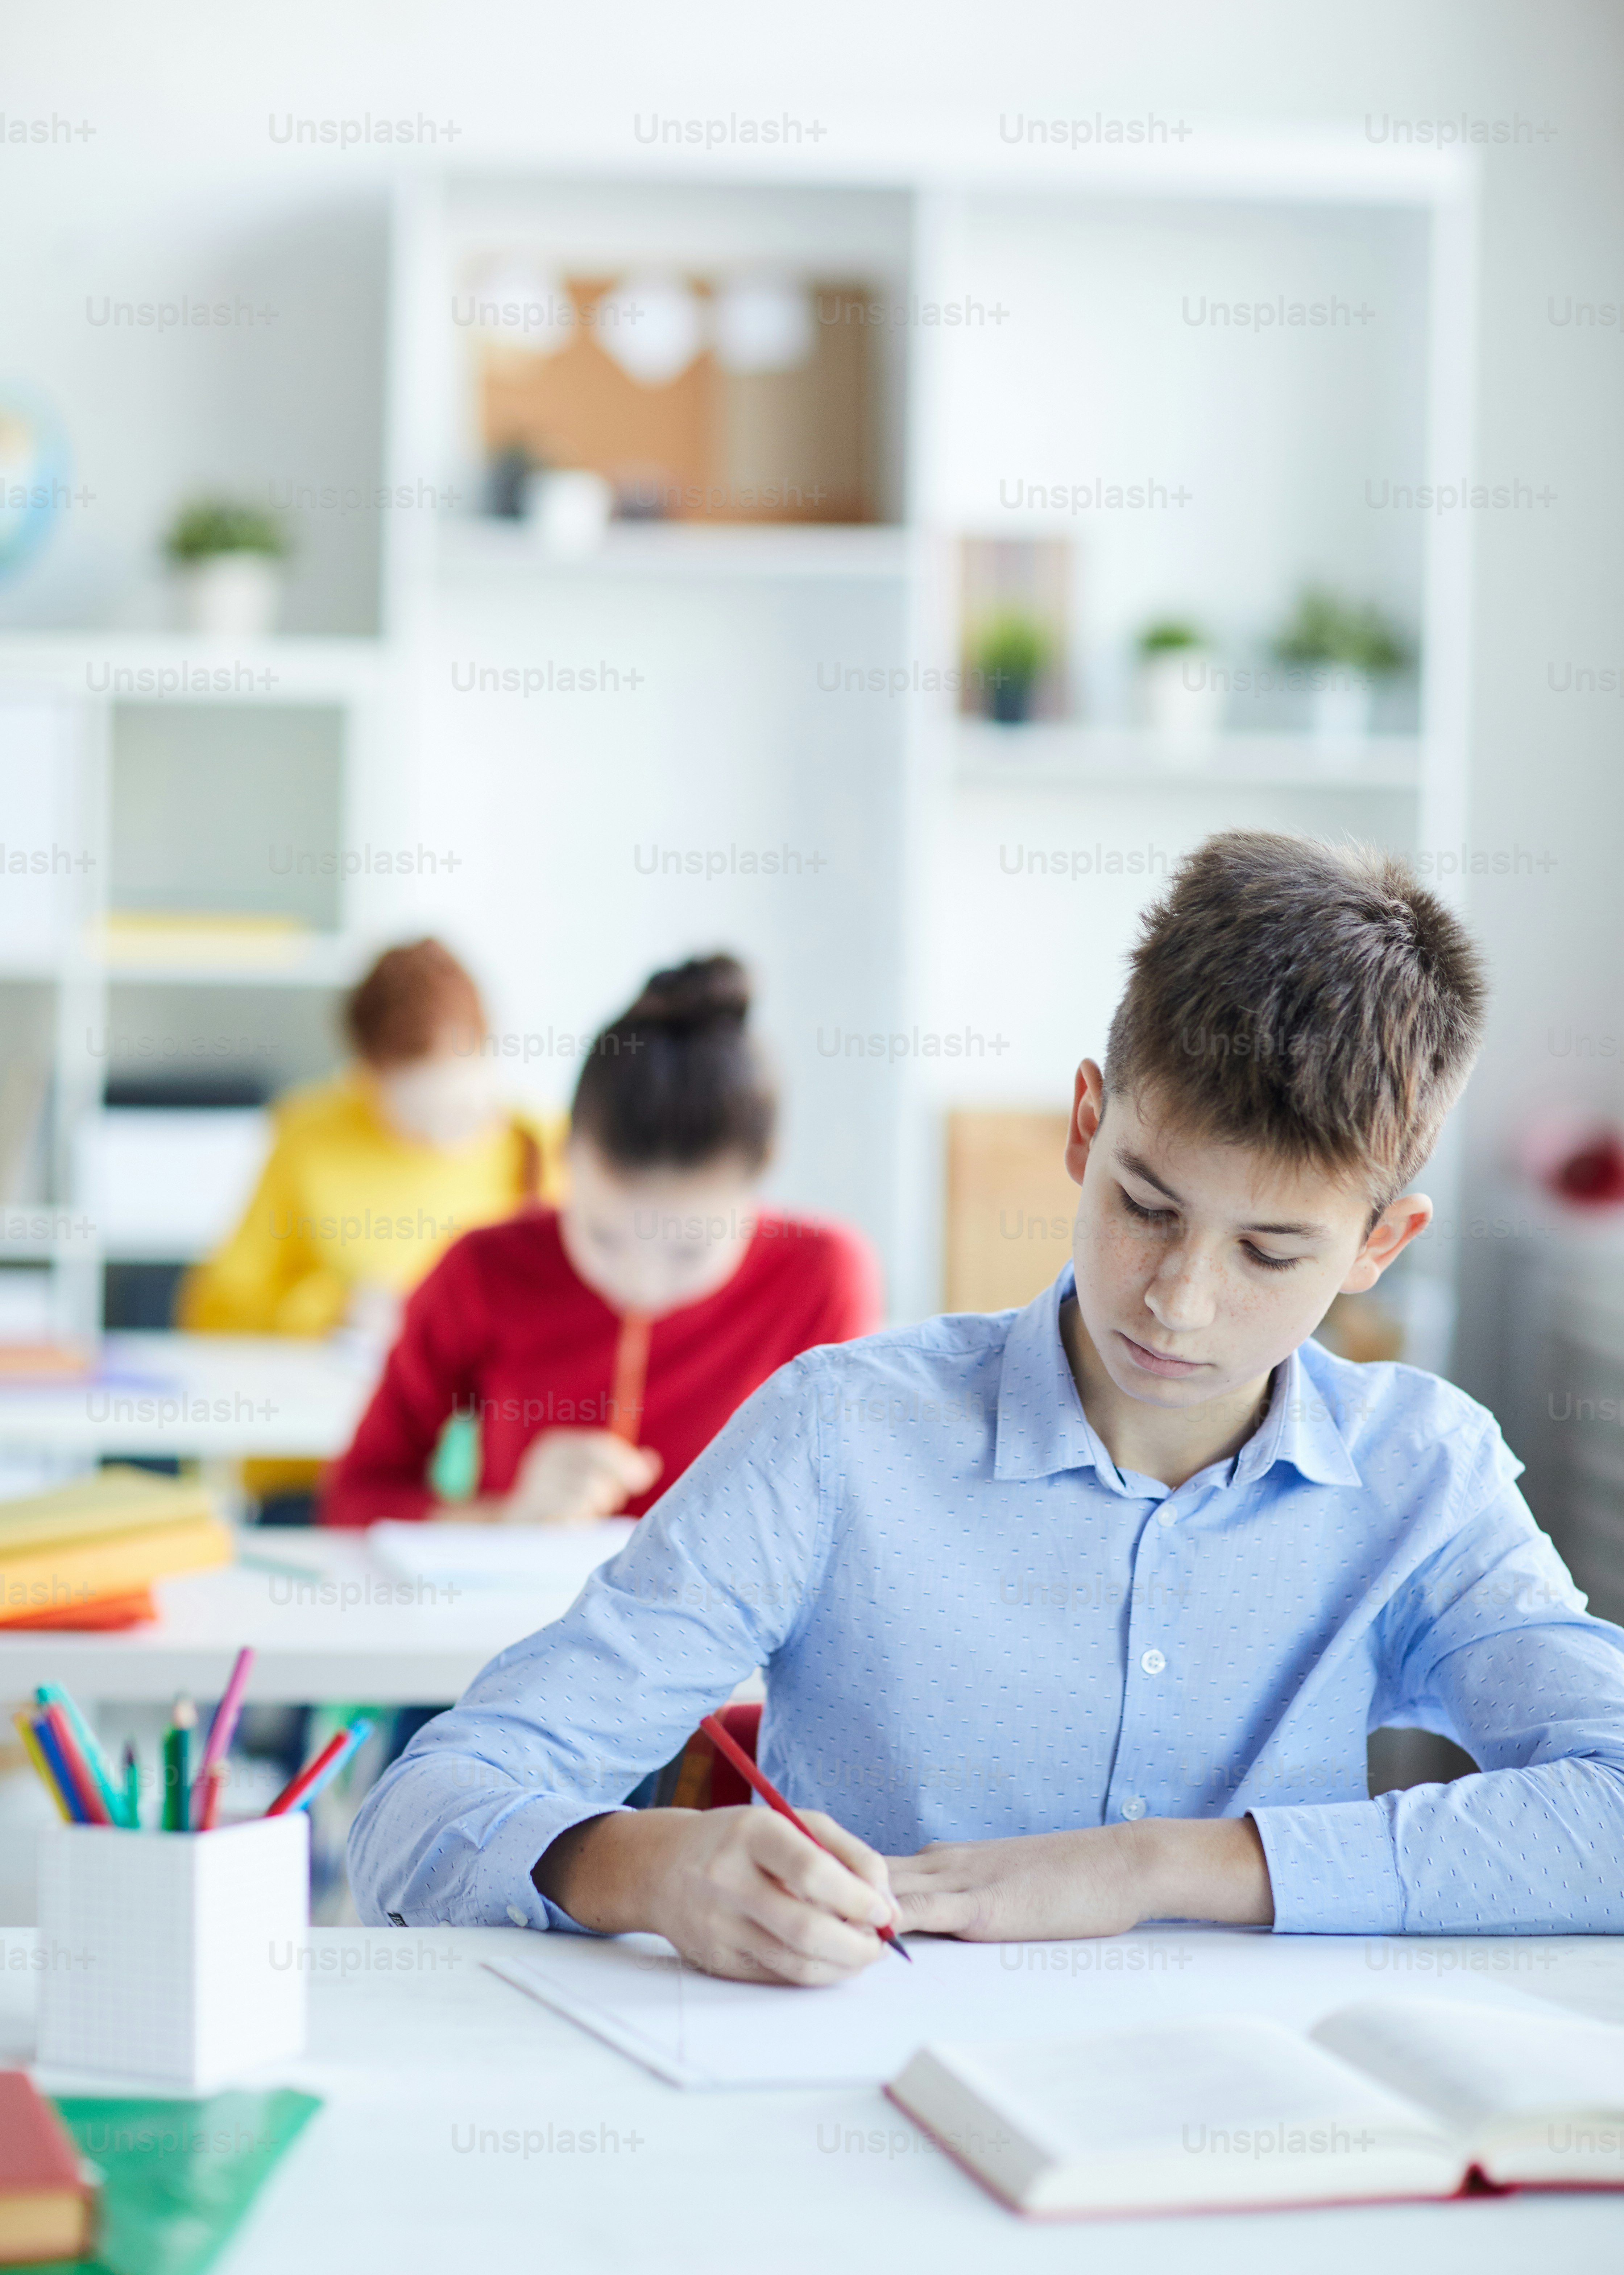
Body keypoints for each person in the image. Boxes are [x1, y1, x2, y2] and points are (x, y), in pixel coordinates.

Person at [348, 834, 1624, 1972]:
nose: (1178, 1301)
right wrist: (643, 1867)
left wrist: (1161, 1868)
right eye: (1146, 1205)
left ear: (1379, 1246)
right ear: (1085, 1124)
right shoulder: (841, 1435)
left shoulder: (1423, 1476)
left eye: (1270, 1254)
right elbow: (425, 1810)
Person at [320, 955, 882, 1527]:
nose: (640, 1282)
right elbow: (355, 1499)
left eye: (688, 1250)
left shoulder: (823, 1276)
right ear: (565, 1155)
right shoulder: (483, 1269)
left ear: (761, 1176)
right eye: (604, 1236)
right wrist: (506, 1516)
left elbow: (852, 1525)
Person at [181, 938, 564, 1517]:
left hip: (491, 1481)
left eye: (463, 1107)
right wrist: (336, 1310)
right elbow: (216, 1308)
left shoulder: (542, 1147)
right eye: (421, 1109)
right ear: (367, 1078)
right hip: (323, 1464)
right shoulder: (309, 1135)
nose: (447, 1132)